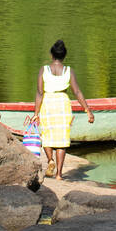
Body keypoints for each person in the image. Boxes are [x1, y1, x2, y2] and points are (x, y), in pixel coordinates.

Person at [34, 39, 94, 180]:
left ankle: (50, 160)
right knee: (62, 140)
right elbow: (77, 92)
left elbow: (39, 92)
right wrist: (87, 110)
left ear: (51, 55)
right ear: (64, 56)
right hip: (62, 104)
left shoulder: (44, 70)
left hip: (48, 103)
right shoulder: (68, 71)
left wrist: (36, 113)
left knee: (47, 136)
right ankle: (59, 175)